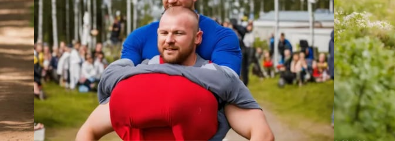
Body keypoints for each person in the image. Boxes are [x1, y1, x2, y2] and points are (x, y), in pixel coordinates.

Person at [76, 7, 274, 141]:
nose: (169, 40)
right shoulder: (139, 74)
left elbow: (262, 133)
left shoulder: (215, 79)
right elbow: (89, 130)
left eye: (178, 33)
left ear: (197, 38)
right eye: (164, 33)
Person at [122, 0, 242, 75]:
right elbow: (119, 78)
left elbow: (227, 82)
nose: (171, 0)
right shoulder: (138, 37)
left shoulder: (222, 37)